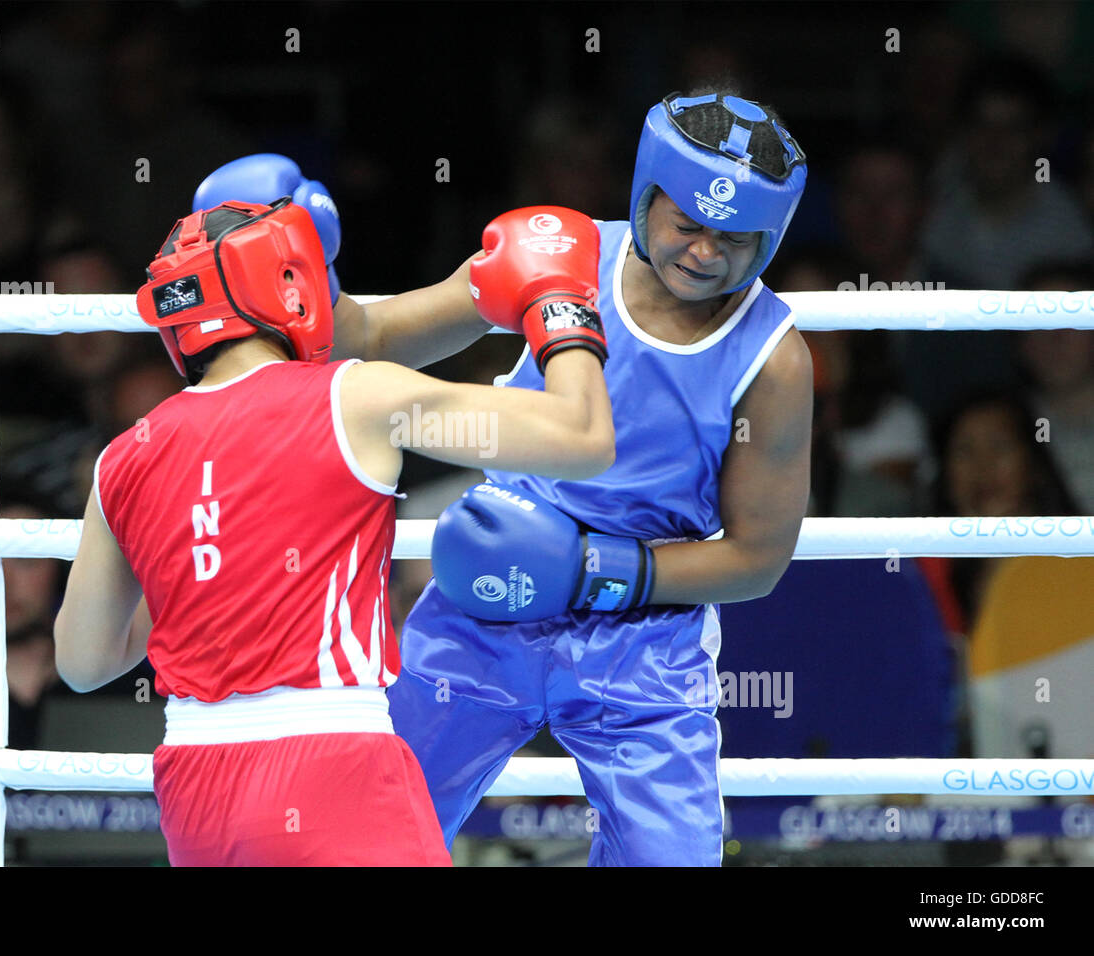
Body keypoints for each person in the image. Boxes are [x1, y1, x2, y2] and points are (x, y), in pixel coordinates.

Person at [196, 89, 813, 865]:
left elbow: (756, 560)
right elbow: (373, 336)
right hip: (487, 601)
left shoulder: (774, 358)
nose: (704, 252)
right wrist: (291, 261)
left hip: (646, 636)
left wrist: (594, 574)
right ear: (646, 195)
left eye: (734, 238)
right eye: (687, 225)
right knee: (362, 836)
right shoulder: (561, 255)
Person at [53, 196, 618, 865]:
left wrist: (211, 568)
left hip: (193, 789)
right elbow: (584, 437)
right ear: (286, 284)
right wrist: (560, 304)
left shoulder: (124, 456)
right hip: (333, 771)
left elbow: (83, 663)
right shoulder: (357, 399)